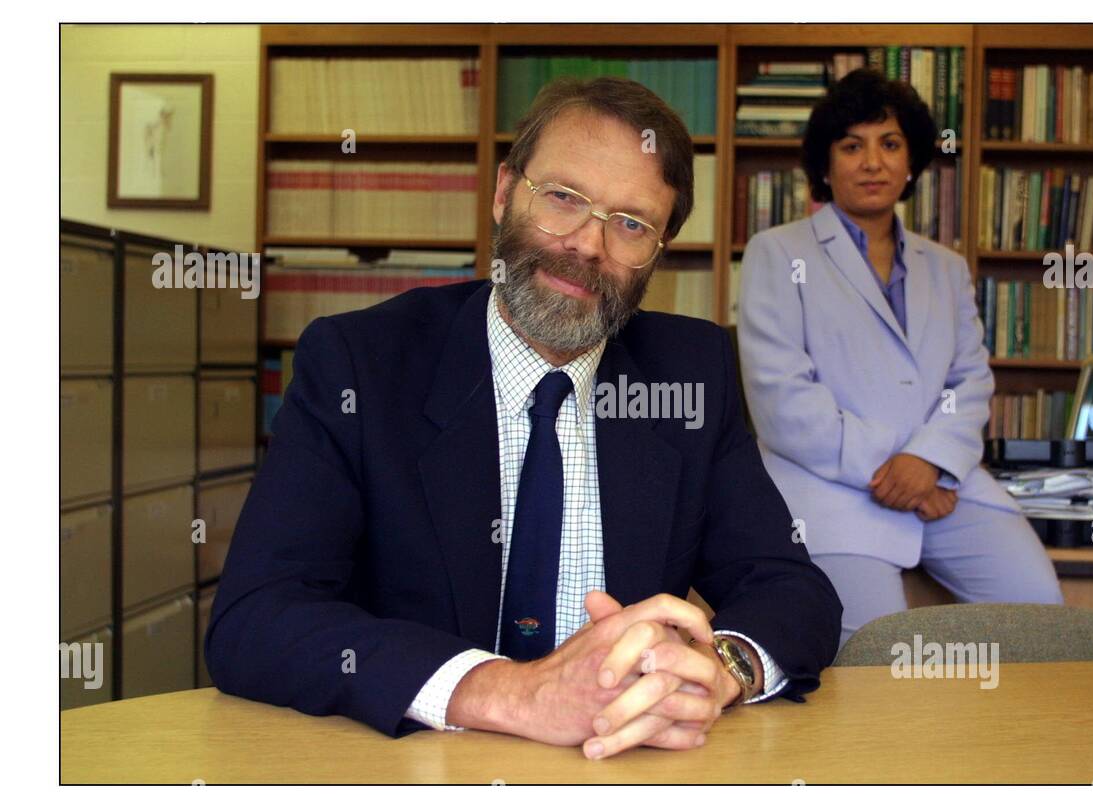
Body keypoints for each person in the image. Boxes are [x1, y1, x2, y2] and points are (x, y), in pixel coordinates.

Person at [206, 77, 841, 759]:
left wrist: (724, 667)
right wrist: (510, 691)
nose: (588, 245)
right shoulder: (361, 364)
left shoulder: (691, 373)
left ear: (659, 251)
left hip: (622, 767)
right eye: (564, 198)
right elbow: (257, 617)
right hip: (414, 768)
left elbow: (792, 589)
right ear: (505, 193)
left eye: (631, 223)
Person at [736, 68, 1063, 653]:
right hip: (830, 486)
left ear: (911, 161)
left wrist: (930, 463)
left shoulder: (946, 266)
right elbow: (783, 401)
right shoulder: (777, 253)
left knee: (1045, 622)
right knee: (879, 655)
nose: (872, 162)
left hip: (945, 482)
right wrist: (900, 470)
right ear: (825, 164)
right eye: (851, 145)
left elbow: (969, 383)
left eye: (890, 144)